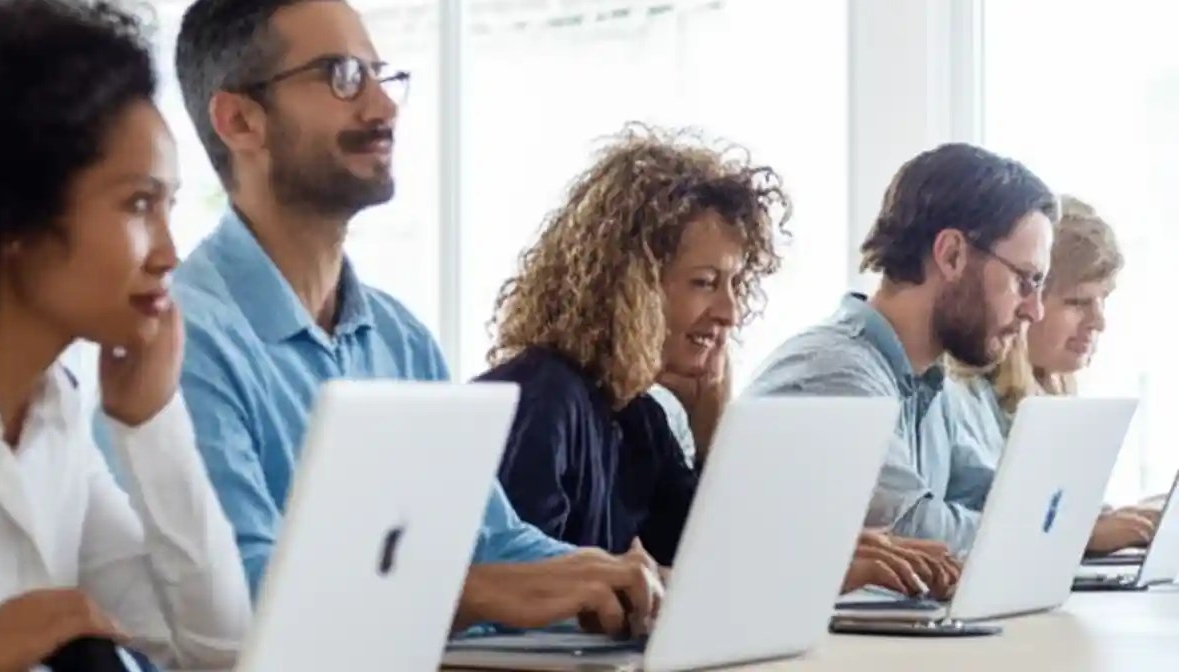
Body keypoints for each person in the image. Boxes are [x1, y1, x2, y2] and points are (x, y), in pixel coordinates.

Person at [170, 0, 660, 635]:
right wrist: (476, 592)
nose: (382, 106)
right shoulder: (183, 339)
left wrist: (624, 582)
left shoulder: (399, 338)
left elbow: (492, 540)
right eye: (342, 77)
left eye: (380, 75)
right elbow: (236, 598)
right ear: (240, 120)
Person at [0, 0, 249, 671]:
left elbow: (220, 653)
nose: (169, 252)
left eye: (168, 206)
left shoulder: (54, 420)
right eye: (138, 204)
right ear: (13, 218)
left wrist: (151, 423)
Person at [479, 125, 960, 597]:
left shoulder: (639, 418)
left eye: (734, 285)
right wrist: (806, 572)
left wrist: (713, 436)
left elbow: (708, 561)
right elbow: (524, 594)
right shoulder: (543, 399)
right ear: (630, 286)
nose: (730, 312)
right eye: (705, 282)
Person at [746, 143, 1142, 557]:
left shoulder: (928, 384)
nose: (1034, 309)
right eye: (1025, 280)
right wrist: (1068, 537)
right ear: (951, 255)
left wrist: (1093, 521)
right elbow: (905, 527)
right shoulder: (833, 372)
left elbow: (997, 495)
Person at [948, 195, 1156, 550]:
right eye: (1077, 302)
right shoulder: (960, 398)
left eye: (1103, 299)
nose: (1099, 322)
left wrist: (1120, 519)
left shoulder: (1049, 395)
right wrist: (1078, 534)